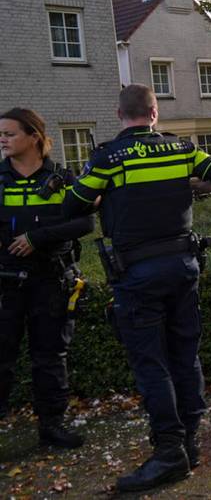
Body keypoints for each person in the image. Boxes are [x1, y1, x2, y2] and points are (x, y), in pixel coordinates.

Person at [64, 85, 211, 492]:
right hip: (183, 267)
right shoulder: (182, 150)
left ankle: (168, 453)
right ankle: (190, 443)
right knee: (185, 355)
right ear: (154, 113)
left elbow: (74, 205)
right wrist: (192, 187)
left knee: (152, 363)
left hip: (137, 273)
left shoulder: (109, 158)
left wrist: (107, 198)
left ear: (119, 114)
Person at [0, 108, 93, 448]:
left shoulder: (62, 179)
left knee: (50, 357)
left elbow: (85, 223)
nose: (3, 140)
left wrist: (37, 239)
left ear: (34, 137)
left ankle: (52, 429)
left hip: (51, 281)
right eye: (2, 134)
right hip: (5, 283)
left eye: (10, 134)